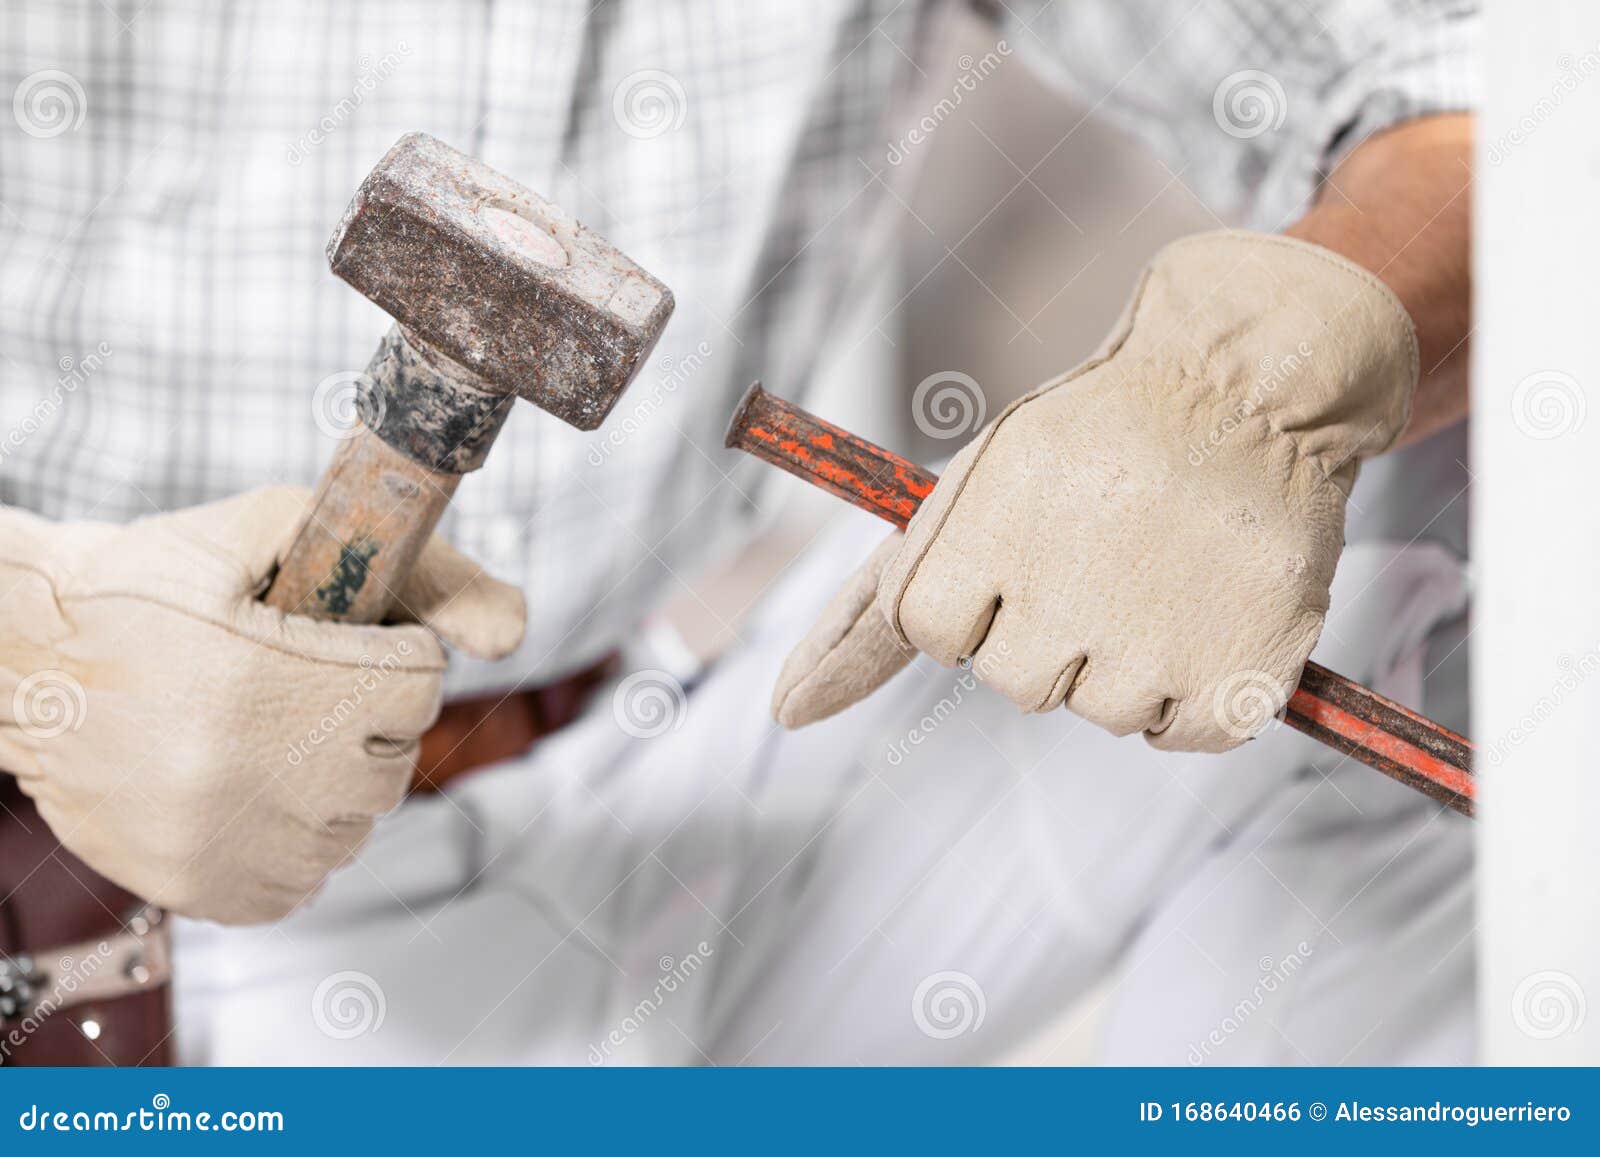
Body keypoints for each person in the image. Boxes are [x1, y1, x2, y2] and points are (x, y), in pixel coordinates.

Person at [0, 1, 1475, 1064]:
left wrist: (1273, 371)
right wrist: (40, 645)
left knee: (1451, 531)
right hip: (59, 920)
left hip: (619, 784)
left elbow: (1473, 80)